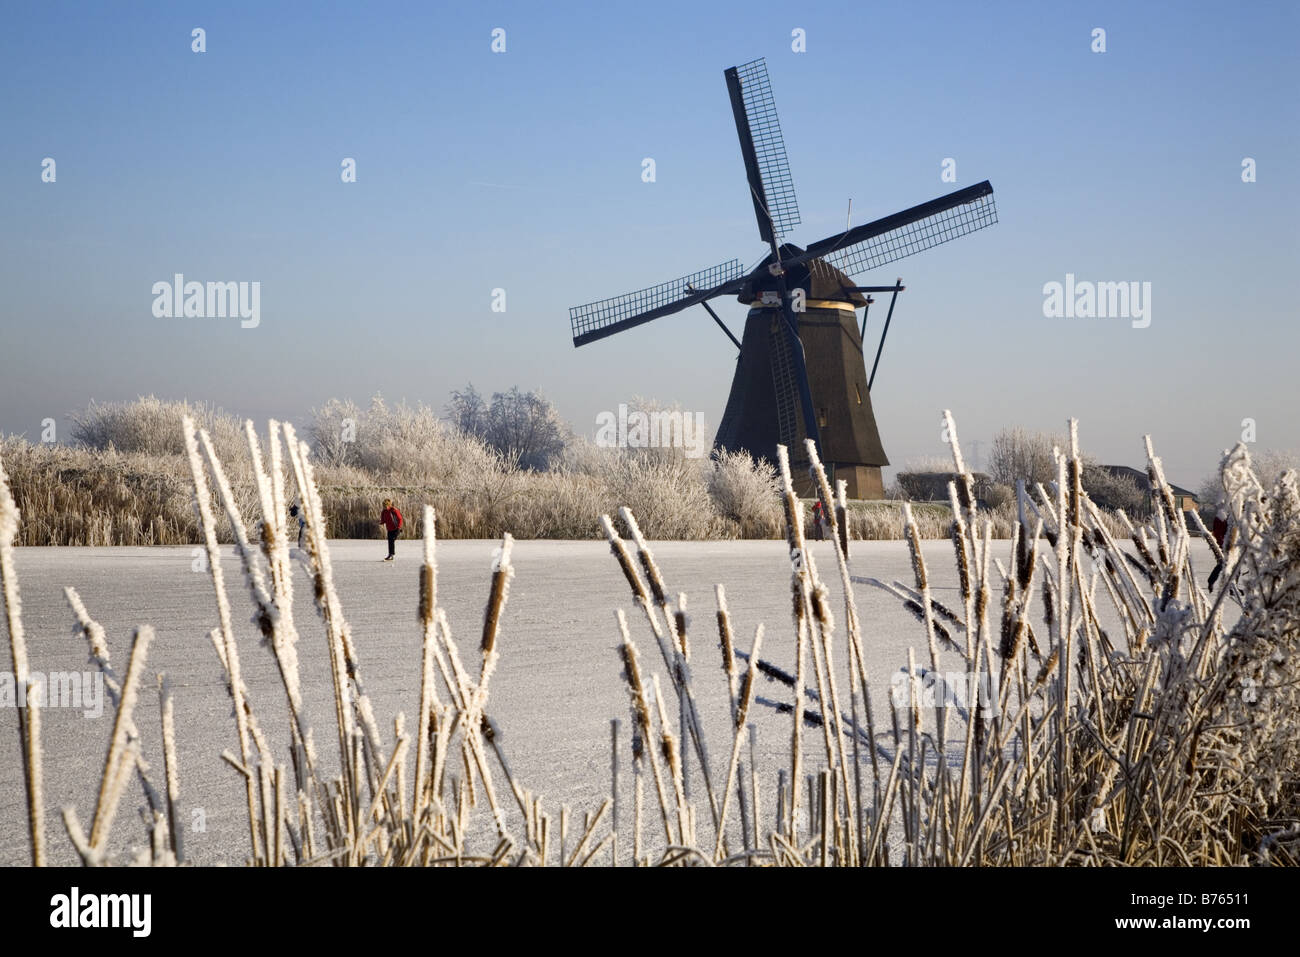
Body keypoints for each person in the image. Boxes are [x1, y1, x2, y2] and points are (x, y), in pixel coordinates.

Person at [1208, 500, 1230, 590]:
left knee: (1227, 565)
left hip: (1228, 544)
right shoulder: (1220, 518)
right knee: (1222, 564)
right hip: (1224, 546)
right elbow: (1217, 533)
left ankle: (1231, 586)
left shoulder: (1226, 517)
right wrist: (1222, 545)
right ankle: (1211, 582)